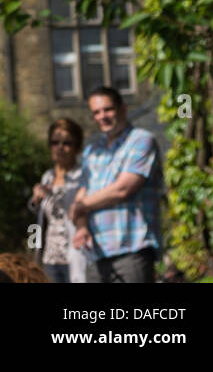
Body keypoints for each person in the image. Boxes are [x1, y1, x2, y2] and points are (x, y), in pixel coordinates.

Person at [72, 87, 163, 283]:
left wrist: (81, 206)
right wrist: (81, 227)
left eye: (108, 110)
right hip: (96, 254)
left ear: (123, 109)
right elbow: (81, 196)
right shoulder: (92, 151)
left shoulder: (141, 140)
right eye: (96, 112)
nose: (102, 116)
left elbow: (122, 189)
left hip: (132, 250)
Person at [28, 117, 86, 282]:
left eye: (67, 143)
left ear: (77, 147)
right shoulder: (47, 177)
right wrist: (36, 200)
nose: (60, 148)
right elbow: (37, 222)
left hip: (76, 254)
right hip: (50, 257)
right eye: (55, 142)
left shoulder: (83, 176)